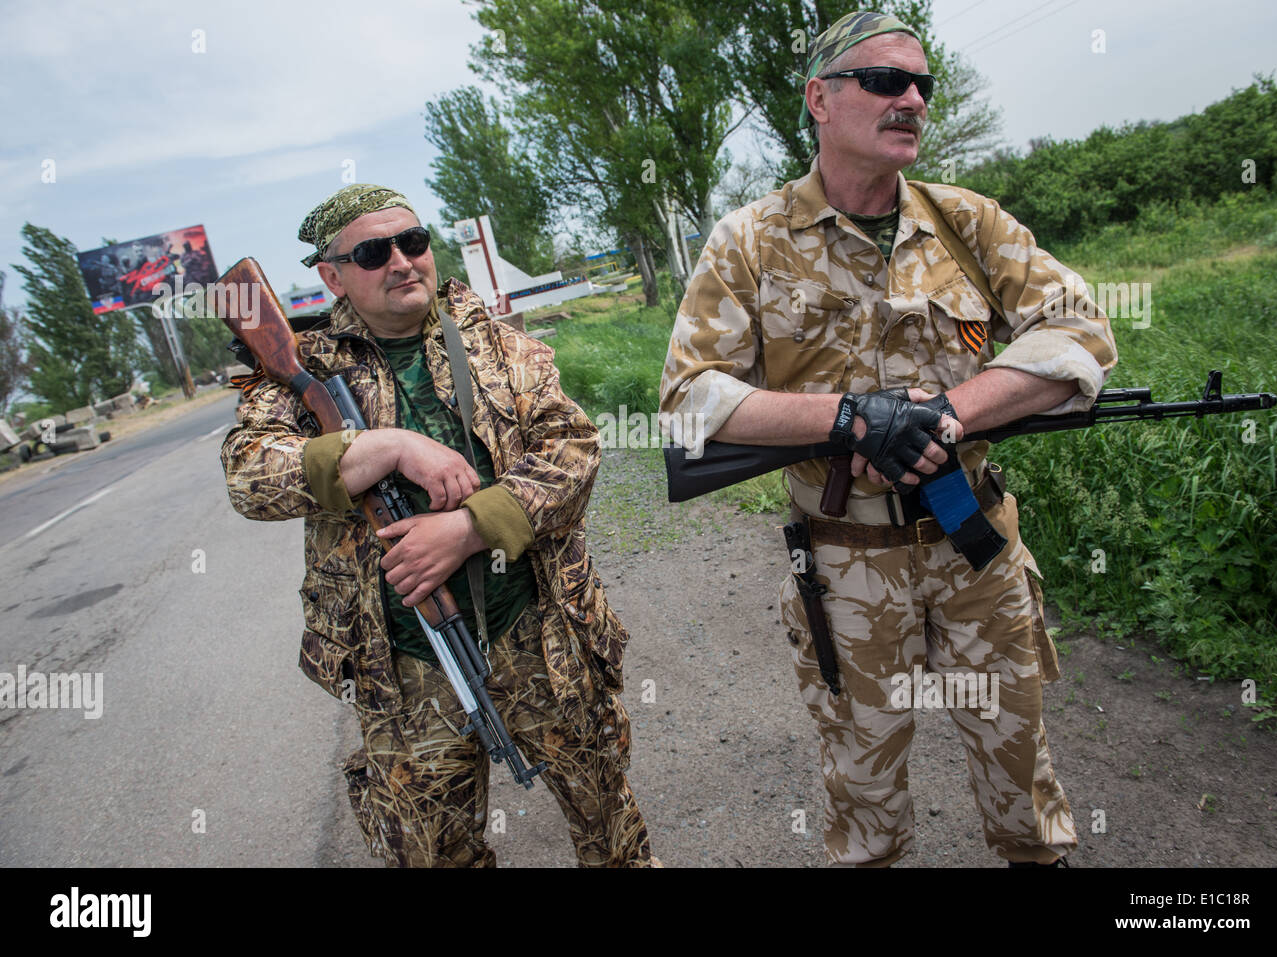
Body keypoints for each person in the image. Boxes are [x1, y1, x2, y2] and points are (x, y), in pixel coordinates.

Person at [660, 12, 1117, 867]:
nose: (910, 99)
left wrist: (948, 413)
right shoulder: (747, 244)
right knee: (864, 792)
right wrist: (849, 419)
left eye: (922, 85)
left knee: (1023, 771)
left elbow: (1081, 334)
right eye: (884, 81)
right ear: (820, 100)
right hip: (845, 562)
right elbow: (689, 398)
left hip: (974, 544)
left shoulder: (967, 222)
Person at [221, 184, 656, 867]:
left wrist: (470, 527)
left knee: (612, 833)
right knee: (437, 854)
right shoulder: (301, 373)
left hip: (540, 636)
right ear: (333, 276)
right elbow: (250, 475)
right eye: (373, 251)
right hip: (406, 665)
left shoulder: (502, 347)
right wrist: (386, 447)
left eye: (413, 242)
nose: (401, 261)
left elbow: (574, 451)